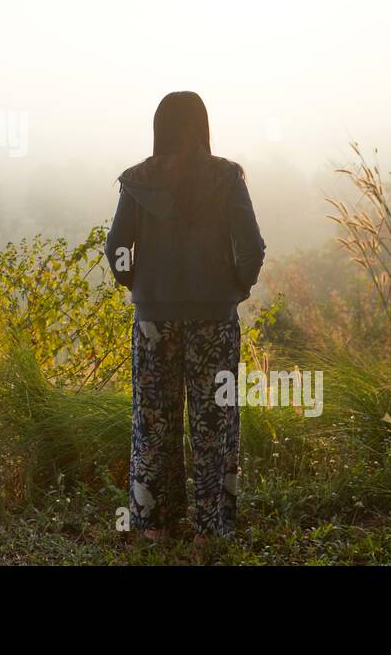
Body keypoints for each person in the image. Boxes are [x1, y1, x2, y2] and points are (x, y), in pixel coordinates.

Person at [105, 91, 265, 543]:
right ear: (202, 126)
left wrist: (137, 285)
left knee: (153, 419)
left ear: (160, 127)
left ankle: (154, 525)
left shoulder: (138, 181)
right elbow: (252, 246)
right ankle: (211, 531)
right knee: (215, 422)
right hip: (214, 318)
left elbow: (116, 246)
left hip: (153, 319)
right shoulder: (227, 177)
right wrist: (235, 289)